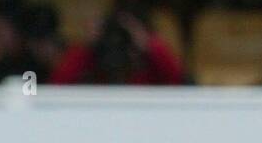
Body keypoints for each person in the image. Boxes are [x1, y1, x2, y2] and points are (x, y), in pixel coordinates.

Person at [50, 7, 186, 85]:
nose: (120, 42)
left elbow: (179, 80)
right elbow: (58, 84)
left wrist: (150, 45)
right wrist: (88, 47)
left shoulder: (152, 68)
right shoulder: (92, 60)